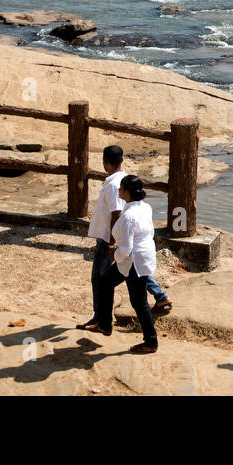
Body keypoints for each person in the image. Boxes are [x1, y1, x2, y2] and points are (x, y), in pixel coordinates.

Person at [97, 175, 159, 353]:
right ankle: (105, 324)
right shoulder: (144, 207)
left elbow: (126, 248)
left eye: (121, 188)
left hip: (133, 261)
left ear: (127, 192)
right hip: (142, 256)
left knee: (139, 302)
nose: (118, 190)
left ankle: (151, 342)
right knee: (106, 282)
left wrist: (113, 253)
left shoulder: (129, 216)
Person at [77, 145, 127, 336]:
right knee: (132, 272)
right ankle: (160, 295)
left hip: (108, 238)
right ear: (122, 160)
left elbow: (116, 212)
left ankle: (100, 318)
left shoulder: (113, 185)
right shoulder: (123, 179)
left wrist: (112, 243)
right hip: (116, 237)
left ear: (105, 163)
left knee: (100, 279)